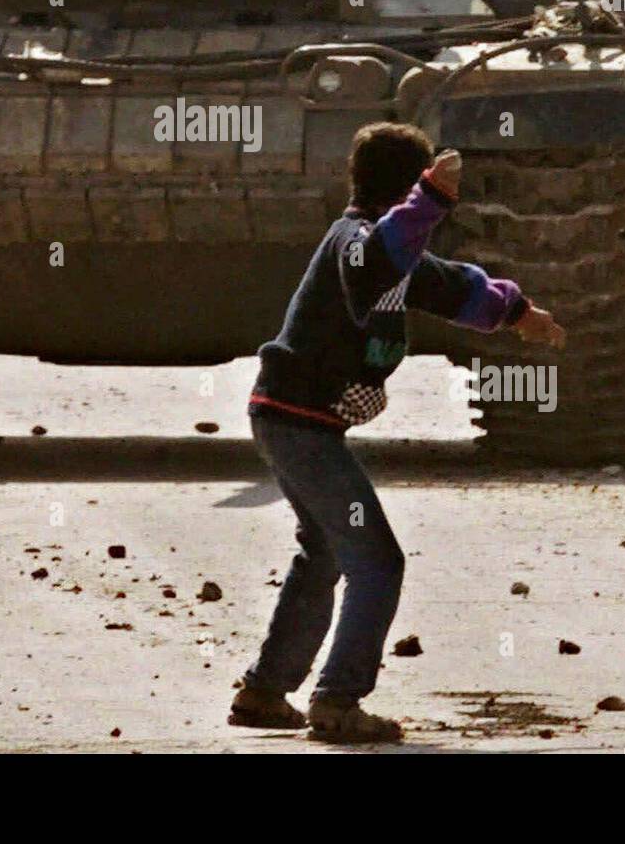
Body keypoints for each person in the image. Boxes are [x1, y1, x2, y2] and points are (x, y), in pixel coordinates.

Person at [231, 122, 565, 743]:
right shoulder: (355, 244)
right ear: (403, 191)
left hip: (292, 421)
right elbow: (382, 256)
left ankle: (264, 691)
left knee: (325, 551)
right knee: (377, 561)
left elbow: (453, 285)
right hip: (298, 424)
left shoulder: (394, 257)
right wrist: (432, 197)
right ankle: (336, 701)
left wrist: (519, 314)